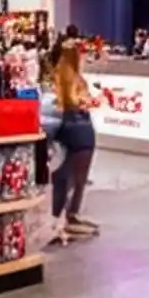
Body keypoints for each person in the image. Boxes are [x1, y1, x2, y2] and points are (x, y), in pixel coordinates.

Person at [51, 39, 98, 240]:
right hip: (80, 130)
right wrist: (91, 102)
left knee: (64, 176)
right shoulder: (77, 80)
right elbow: (80, 102)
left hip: (64, 130)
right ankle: (71, 216)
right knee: (79, 178)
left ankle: (60, 215)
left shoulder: (57, 76)